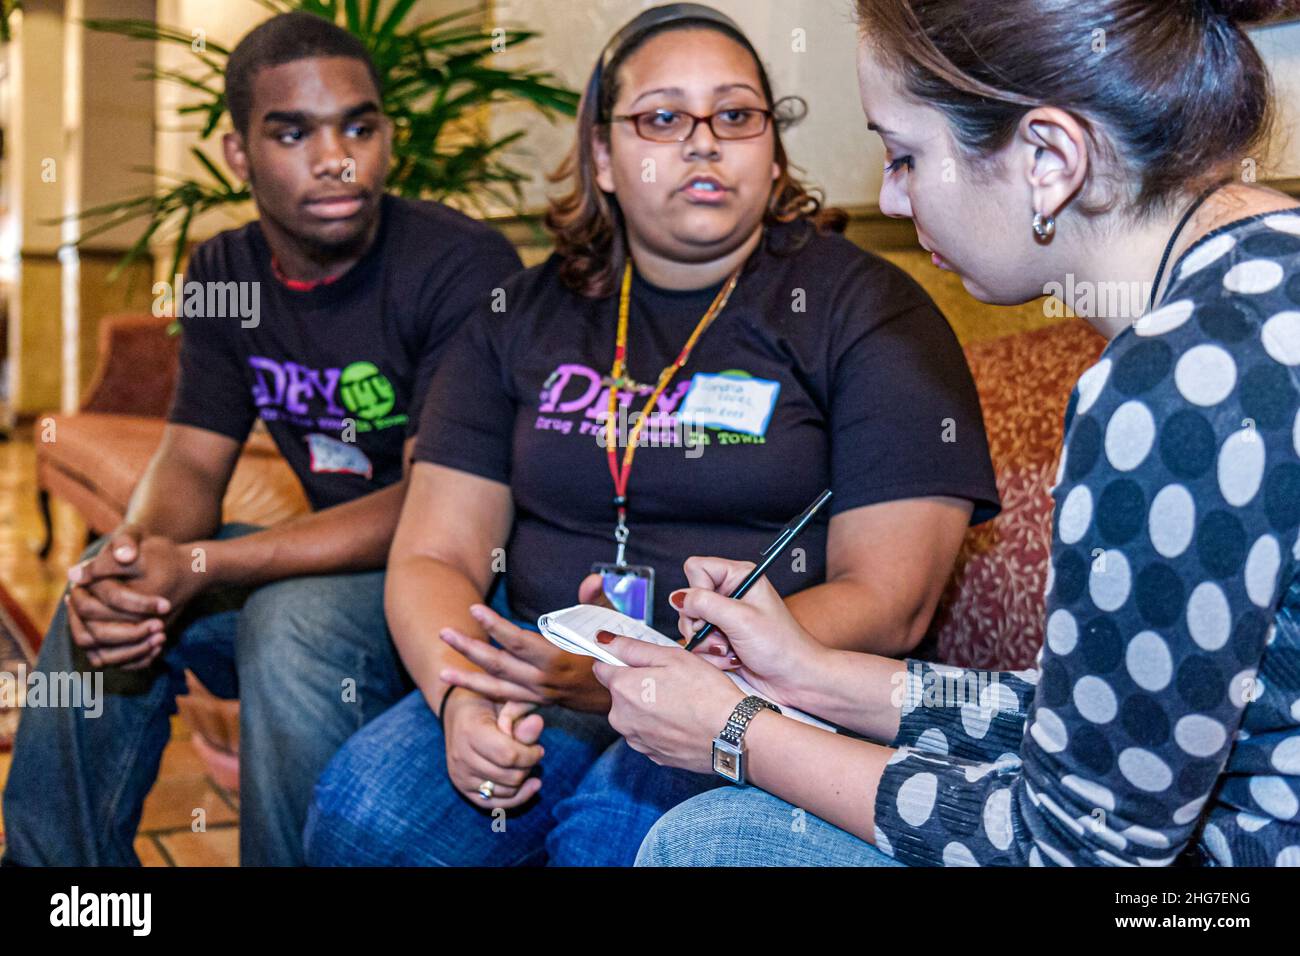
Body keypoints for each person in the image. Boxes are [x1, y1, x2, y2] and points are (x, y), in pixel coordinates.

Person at [607, 0, 1300, 867]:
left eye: (904, 155)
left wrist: (733, 731)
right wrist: (809, 676)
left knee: (712, 842)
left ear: (1049, 158)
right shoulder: (1269, 265)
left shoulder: (1171, 390)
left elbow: (1077, 849)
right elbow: (1110, 731)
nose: (891, 200)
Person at [304, 3, 1000, 866]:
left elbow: (892, 601)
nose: (703, 142)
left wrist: (654, 667)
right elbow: (435, 552)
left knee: (613, 837)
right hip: (540, 671)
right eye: (663, 117)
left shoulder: (868, 311)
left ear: (772, 148)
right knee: (363, 812)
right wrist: (462, 701)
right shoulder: (515, 315)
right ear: (601, 154)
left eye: (736, 115)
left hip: (753, 687)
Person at [1, 12, 521, 867]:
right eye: (293, 132)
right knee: (99, 591)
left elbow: (435, 506)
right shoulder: (224, 271)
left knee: (289, 620)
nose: (338, 159)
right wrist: (137, 553)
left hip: (459, 584)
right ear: (239, 154)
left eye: (361, 125)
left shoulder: (460, 266)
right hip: (325, 565)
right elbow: (195, 454)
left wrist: (204, 565)